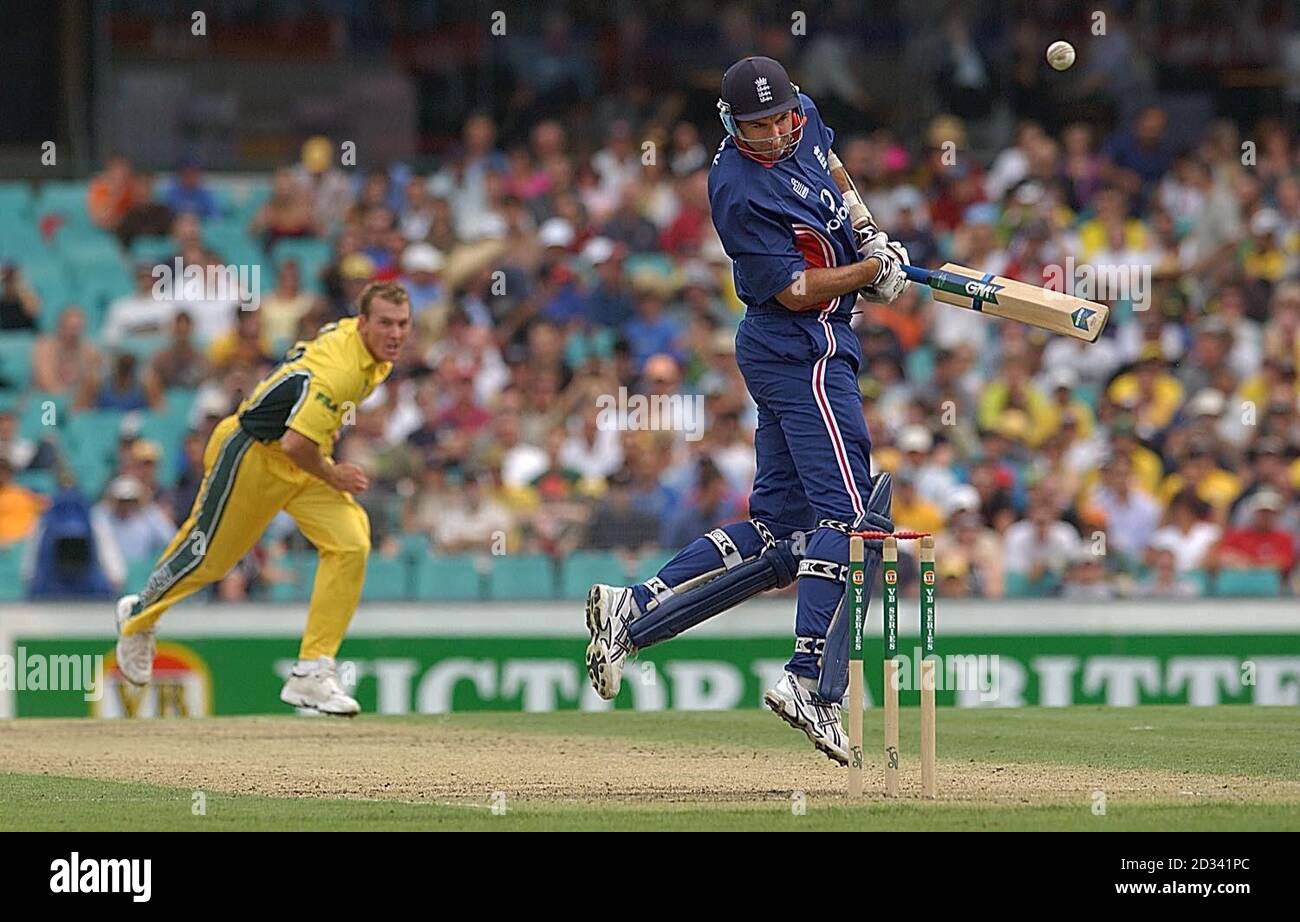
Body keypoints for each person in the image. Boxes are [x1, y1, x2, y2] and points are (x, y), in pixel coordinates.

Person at [583, 56, 909, 764]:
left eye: (780, 117)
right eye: (756, 125)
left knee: (779, 533)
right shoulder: (736, 187)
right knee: (847, 521)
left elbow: (833, 160)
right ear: (732, 125)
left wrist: (865, 225)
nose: (774, 133)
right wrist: (870, 274)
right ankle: (808, 682)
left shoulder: (804, 118)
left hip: (805, 342)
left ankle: (633, 605)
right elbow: (794, 290)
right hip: (802, 342)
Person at [114, 282, 412, 716]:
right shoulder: (343, 367)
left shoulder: (369, 349)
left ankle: (312, 671)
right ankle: (139, 614)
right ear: (363, 323)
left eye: (403, 324)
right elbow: (294, 443)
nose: (396, 333)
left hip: (303, 458)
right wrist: (333, 474)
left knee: (350, 542)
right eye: (385, 323)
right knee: (211, 560)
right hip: (254, 454)